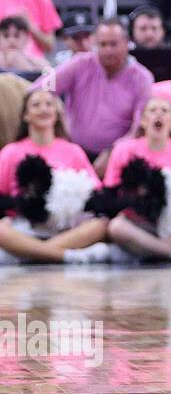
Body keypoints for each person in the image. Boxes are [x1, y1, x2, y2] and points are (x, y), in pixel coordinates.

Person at [0, 90, 109, 264]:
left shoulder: (73, 150)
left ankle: (33, 254)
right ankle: (65, 256)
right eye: (36, 105)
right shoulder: (10, 152)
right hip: (25, 225)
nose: (43, 109)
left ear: (57, 114)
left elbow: (94, 192)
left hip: (66, 226)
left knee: (100, 225)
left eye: (49, 104)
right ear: (26, 116)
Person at [102, 97, 171, 260]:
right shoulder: (124, 150)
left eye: (164, 111)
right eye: (153, 110)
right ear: (142, 121)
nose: (159, 115)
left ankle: (159, 249)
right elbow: (110, 194)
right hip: (139, 222)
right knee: (116, 227)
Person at [47, 17, 154, 171]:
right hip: (75, 152)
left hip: (121, 157)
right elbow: (42, 87)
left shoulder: (142, 77)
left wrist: (113, 152)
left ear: (127, 43)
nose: (107, 50)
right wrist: (57, 115)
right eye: (102, 44)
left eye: (113, 44)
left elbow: (139, 127)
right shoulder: (80, 63)